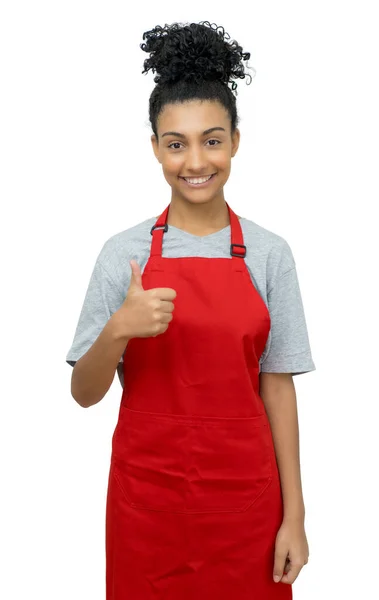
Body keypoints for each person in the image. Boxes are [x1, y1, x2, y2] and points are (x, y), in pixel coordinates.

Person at [66, 20, 316, 600]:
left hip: (246, 503)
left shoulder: (269, 255)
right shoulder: (123, 254)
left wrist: (295, 517)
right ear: (155, 146)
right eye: (175, 143)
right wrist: (119, 331)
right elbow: (83, 393)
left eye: (212, 139)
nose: (195, 160)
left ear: (235, 140)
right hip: (147, 503)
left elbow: (278, 390)